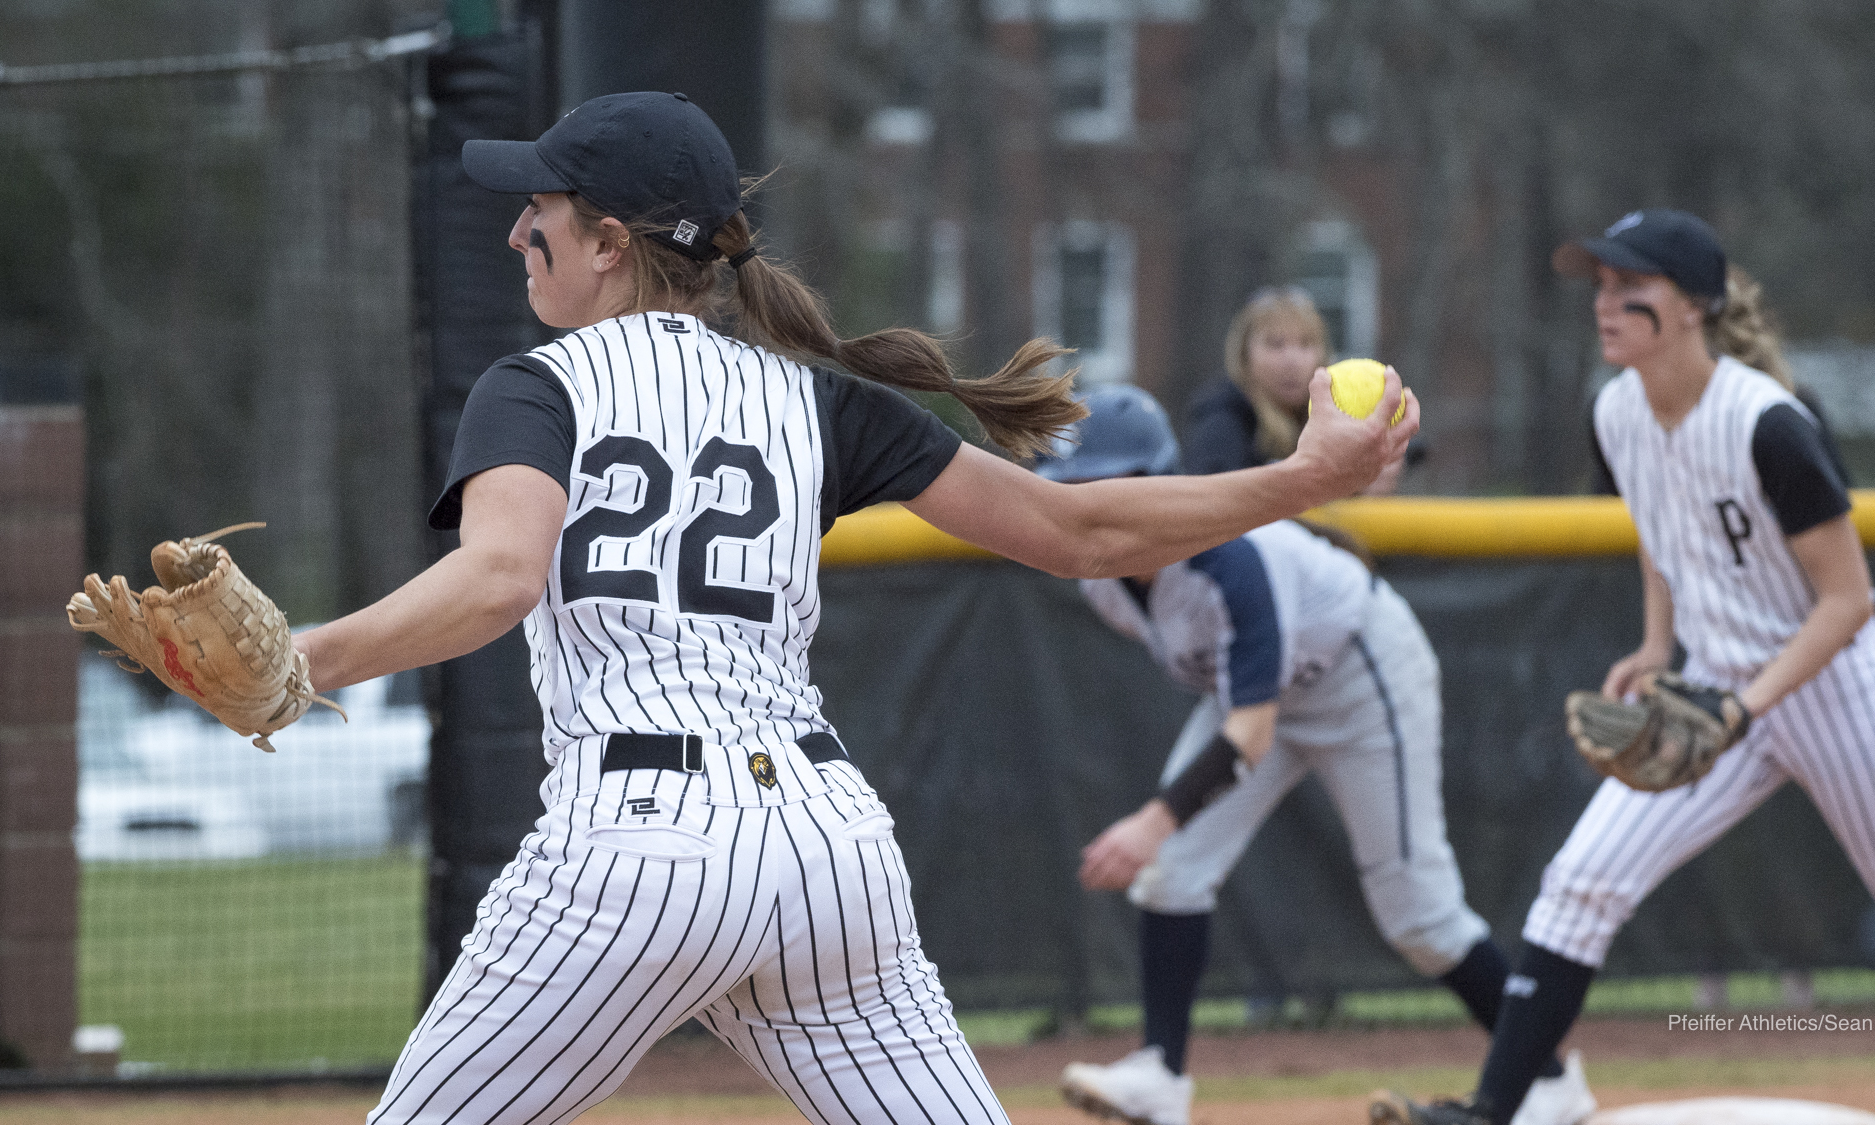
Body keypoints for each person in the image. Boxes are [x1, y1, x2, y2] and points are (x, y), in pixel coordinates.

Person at [285, 92, 1416, 1125]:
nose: (518, 233)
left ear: (609, 246)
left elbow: (498, 578)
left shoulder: (536, 386)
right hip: (830, 854)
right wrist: (1308, 479)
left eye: (540, 211)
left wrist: (303, 663)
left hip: (637, 849)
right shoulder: (812, 396)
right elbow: (1084, 536)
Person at [1371, 209, 1875, 1125]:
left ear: (1695, 305)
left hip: (1841, 693)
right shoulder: (1616, 410)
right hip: (1714, 692)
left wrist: (1744, 709)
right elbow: (1663, 534)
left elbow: (1849, 601)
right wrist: (1659, 646)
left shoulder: (1769, 424)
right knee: (1580, 886)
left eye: (1632, 289)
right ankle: (1491, 1112)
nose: (1607, 305)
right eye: (1601, 288)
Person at [1043, 387, 1594, 1125]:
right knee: (1172, 871)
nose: (1087, 507)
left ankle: (1549, 1076)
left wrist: (1155, 814)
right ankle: (1159, 1074)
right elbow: (1247, 708)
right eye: (1073, 490)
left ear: (1153, 485)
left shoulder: (1224, 562)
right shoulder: (1101, 579)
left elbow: (1247, 736)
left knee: (1418, 914)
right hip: (1264, 695)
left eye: (1103, 487)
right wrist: (1164, 826)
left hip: (1359, 673)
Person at [1181, 285, 1425, 478]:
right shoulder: (1221, 423)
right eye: (1275, 344)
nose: (1292, 360)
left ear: (1323, 354)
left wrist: (1366, 483)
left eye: (1305, 344)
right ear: (1245, 356)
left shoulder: (1335, 415)